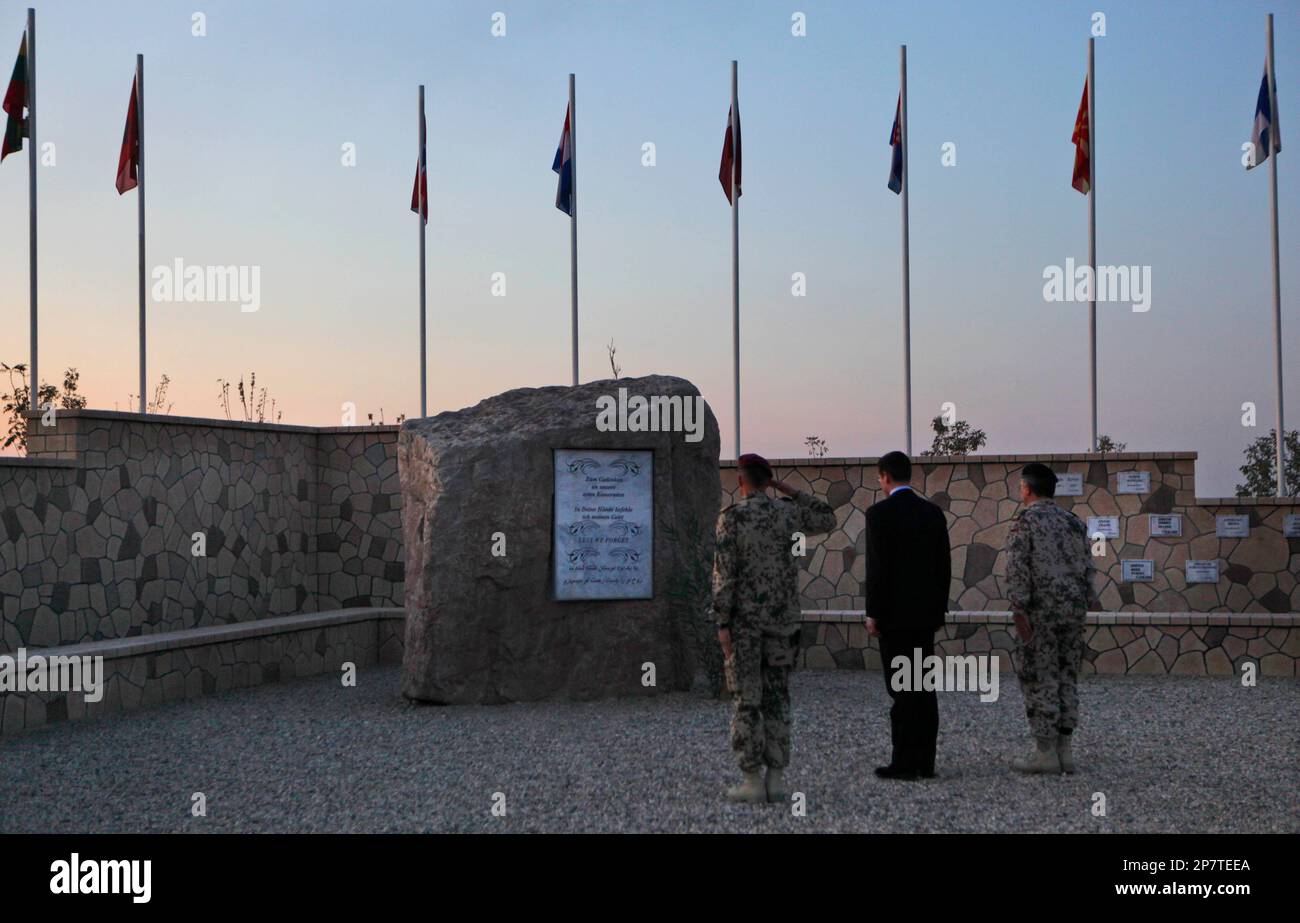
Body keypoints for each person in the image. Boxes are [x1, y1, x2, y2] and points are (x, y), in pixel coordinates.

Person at [712, 452, 836, 803]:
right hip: (782, 625)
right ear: (768, 481)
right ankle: (776, 780)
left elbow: (724, 575)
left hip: (745, 627)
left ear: (740, 481)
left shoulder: (732, 518)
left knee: (747, 701)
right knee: (779, 699)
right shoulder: (788, 513)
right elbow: (827, 517)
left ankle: (751, 781)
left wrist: (721, 622)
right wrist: (789, 489)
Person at [864, 451, 951, 780]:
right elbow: (943, 565)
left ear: (885, 477)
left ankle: (903, 761)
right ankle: (925, 762)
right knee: (923, 689)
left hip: (894, 616)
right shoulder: (932, 513)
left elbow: (878, 568)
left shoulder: (879, 514)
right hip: (924, 616)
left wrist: (873, 612)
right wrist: (939, 609)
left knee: (901, 690)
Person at [1005, 462, 1097, 774]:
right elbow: (1088, 568)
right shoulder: (1074, 522)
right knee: (1067, 676)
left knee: (1039, 677)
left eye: (1021, 486)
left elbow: (1018, 568)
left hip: (1039, 615)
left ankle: (1045, 752)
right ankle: (1064, 750)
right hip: (1072, 612)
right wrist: (1084, 603)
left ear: (1027, 488)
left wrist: (1019, 611)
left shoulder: (1025, 522)